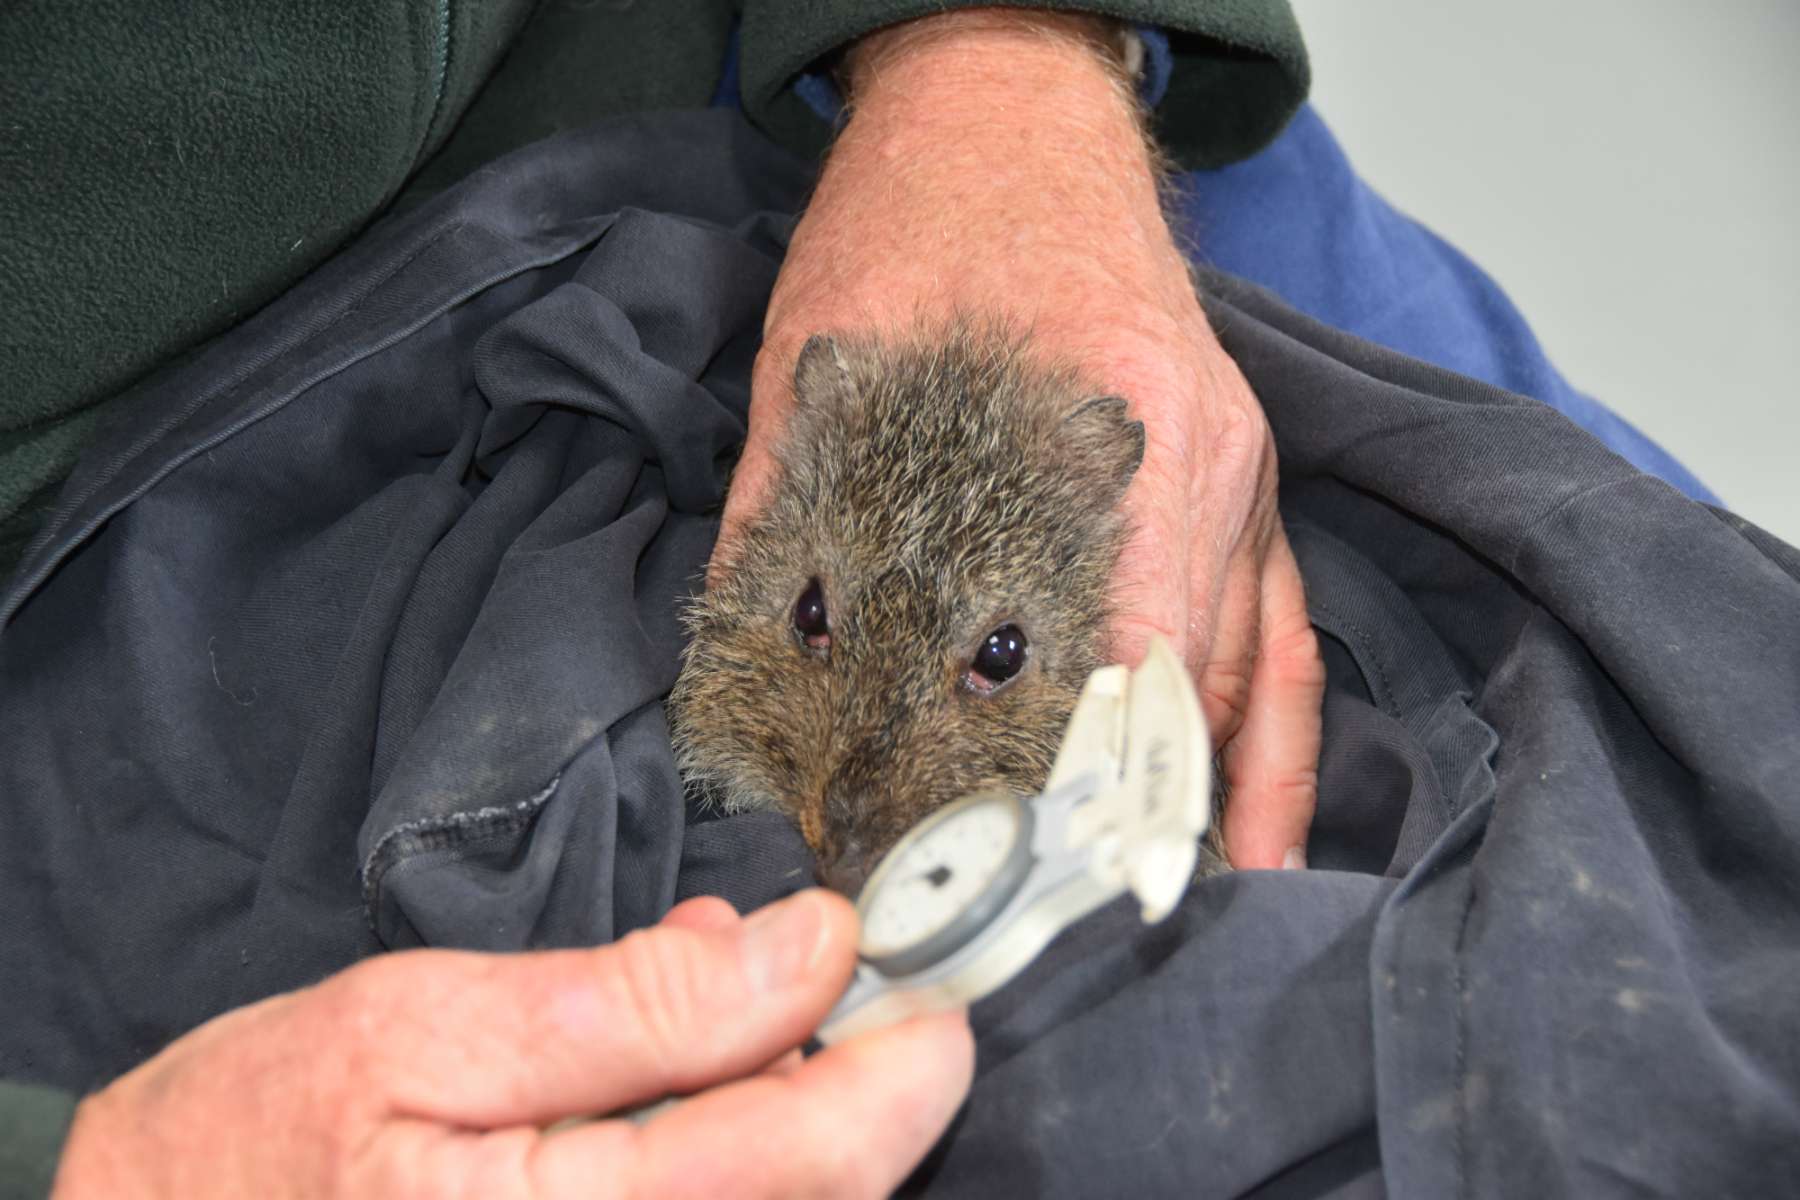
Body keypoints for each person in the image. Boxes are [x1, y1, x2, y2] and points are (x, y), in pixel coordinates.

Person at [1, 4, 1323, 1193]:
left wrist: (995, 59)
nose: (861, 786)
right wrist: (80, 1166)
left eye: (993, 659)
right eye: (816, 630)